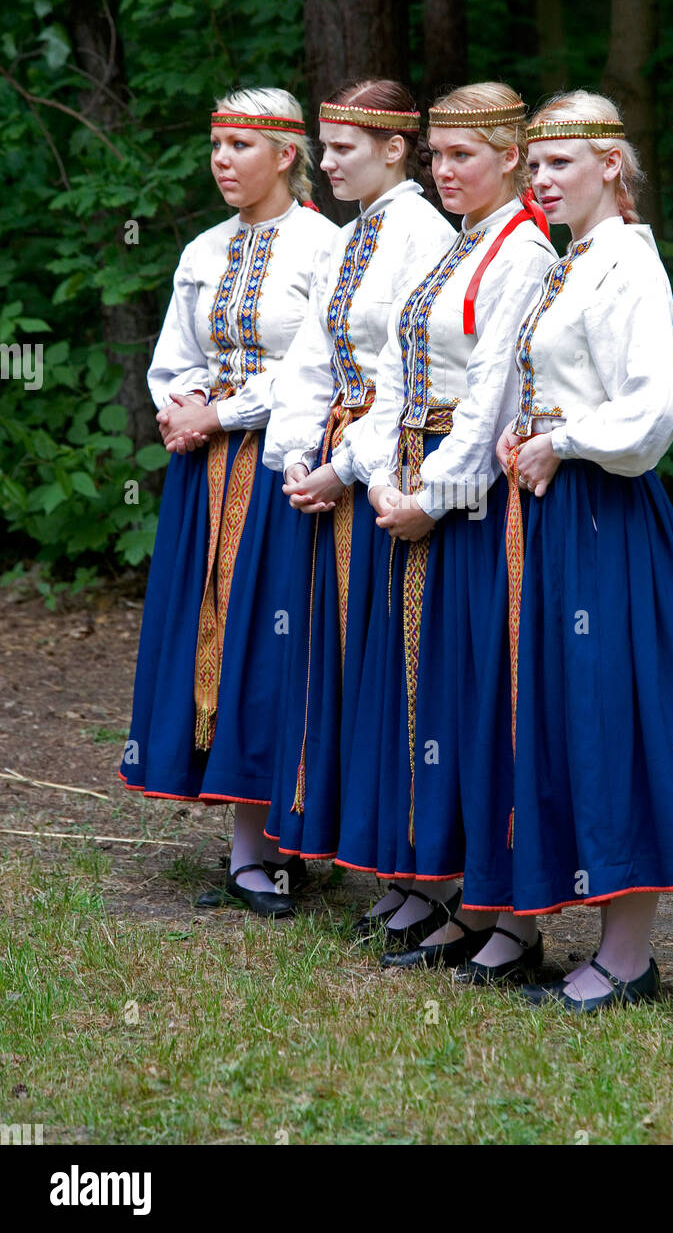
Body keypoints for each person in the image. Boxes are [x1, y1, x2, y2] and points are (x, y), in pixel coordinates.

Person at [483, 89, 673, 1011]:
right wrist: (522, 435)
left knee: (613, 718)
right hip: (554, 519)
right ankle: (580, 925)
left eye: (560, 163)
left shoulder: (628, 266)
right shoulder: (572, 263)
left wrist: (561, 441)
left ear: (612, 165)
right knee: (563, 714)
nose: (541, 180)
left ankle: (629, 959)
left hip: (605, 518)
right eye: (533, 166)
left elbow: (655, 405)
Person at [333, 83, 556, 965]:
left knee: (476, 699)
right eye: (436, 156)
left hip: (476, 503)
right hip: (417, 489)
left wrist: (434, 499)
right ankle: (440, 883)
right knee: (420, 693)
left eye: (463, 155)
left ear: (510, 156)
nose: (445, 170)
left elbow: (494, 389)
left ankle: (503, 911)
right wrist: (386, 477)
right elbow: (397, 374)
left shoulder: (524, 253)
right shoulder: (456, 248)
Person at [119, 86, 336, 918]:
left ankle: (299, 837)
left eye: (241, 145)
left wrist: (227, 409)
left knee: (279, 642)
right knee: (214, 637)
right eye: (216, 144)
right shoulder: (205, 250)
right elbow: (175, 356)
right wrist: (187, 402)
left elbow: (324, 361)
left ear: (287, 154)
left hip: (289, 468)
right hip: (204, 478)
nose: (221, 160)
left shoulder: (325, 246)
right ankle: (248, 850)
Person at [260, 79, 454, 875]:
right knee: (334, 657)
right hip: (333, 466)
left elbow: (408, 369)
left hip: (388, 466)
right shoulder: (349, 236)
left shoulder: (423, 233)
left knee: (392, 662)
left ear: (393, 148)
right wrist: (296, 453)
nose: (327, 162)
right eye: (326, 147)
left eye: (343, 149)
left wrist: (344, 467)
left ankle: (413, 857)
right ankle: (357, 844)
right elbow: (313, 353)